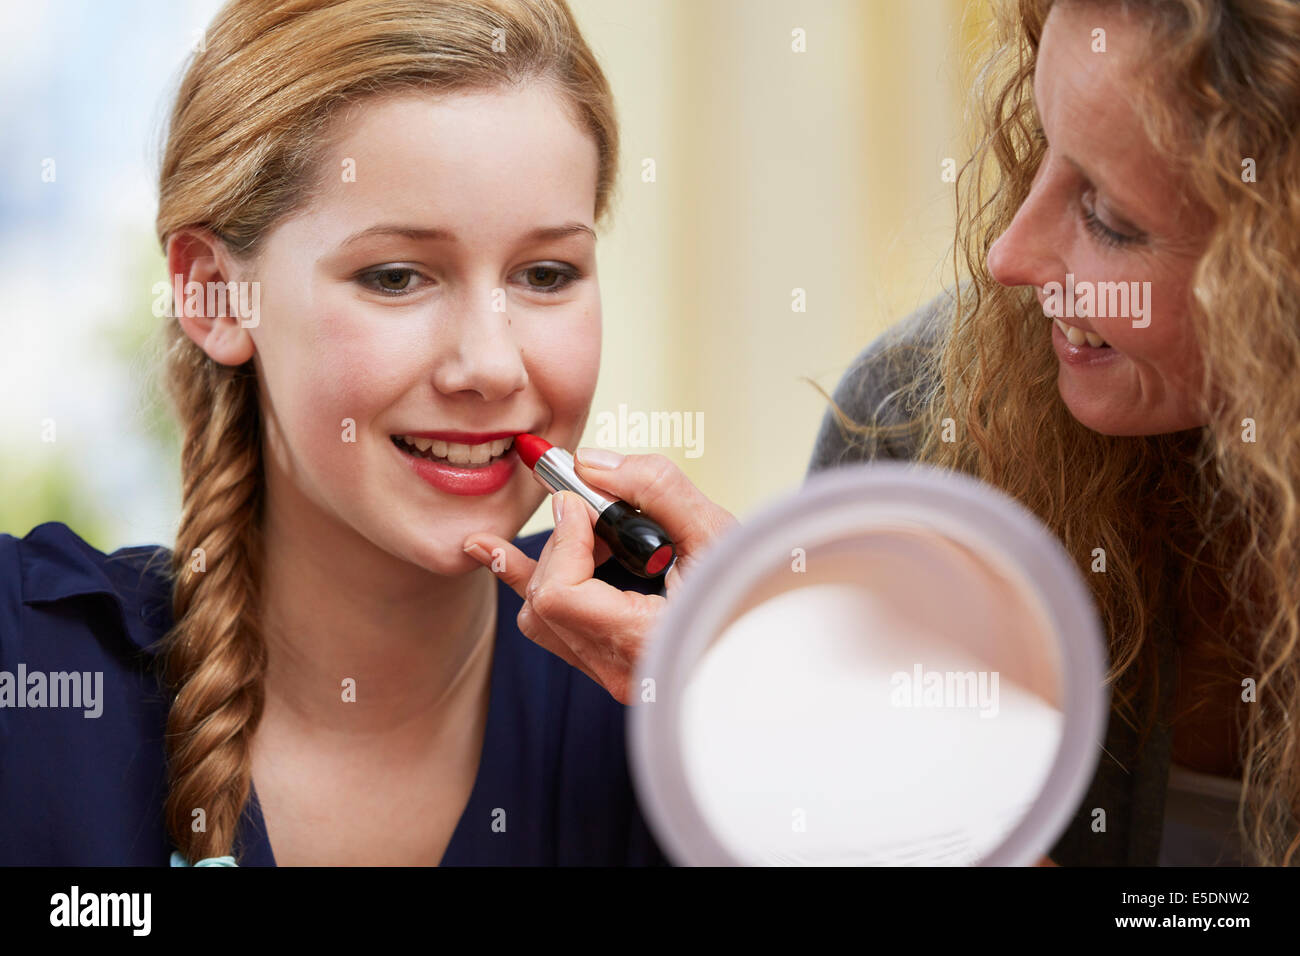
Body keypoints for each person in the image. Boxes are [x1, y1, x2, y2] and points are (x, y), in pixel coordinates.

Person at [476, 0, 1300, 866]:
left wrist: (845, 748)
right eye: (1045, 147)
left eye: (1111, 218)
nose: (1008, 257)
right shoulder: (918, 418)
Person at [0, 0, 682, 867]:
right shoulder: (28, 678)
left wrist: (790, 727)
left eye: (545, 274)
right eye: (396, 277)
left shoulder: (687, 688)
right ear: (214, 292)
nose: (492, 366)